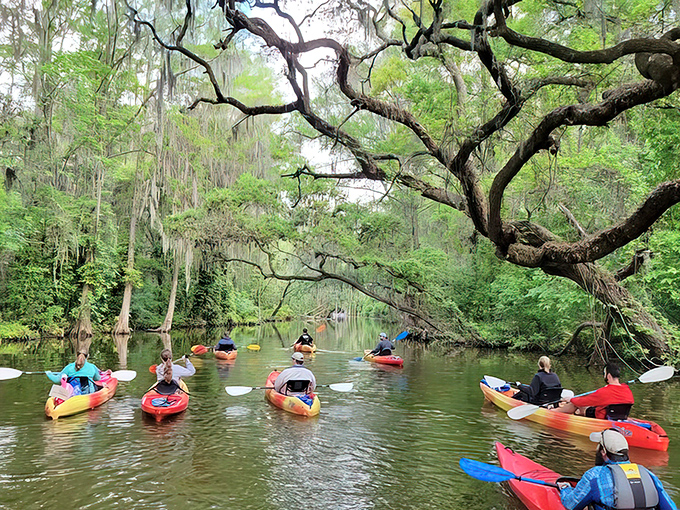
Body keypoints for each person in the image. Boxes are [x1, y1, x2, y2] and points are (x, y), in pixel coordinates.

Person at [559, 428, 677, 510]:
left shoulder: (594, 475)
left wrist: (565, 489)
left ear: (603, 452)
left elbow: (571, 504)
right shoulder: (648, 474)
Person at [555, 362, 634, 419]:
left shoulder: (604, 391)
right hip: (618, 416)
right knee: (583, 408)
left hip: (601, 417)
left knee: (575, 404)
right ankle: (575, 414)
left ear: (608, 376)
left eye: (604, 374)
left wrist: (571, 399)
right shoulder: (627, 389)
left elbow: (582, 402)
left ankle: (555, 412)